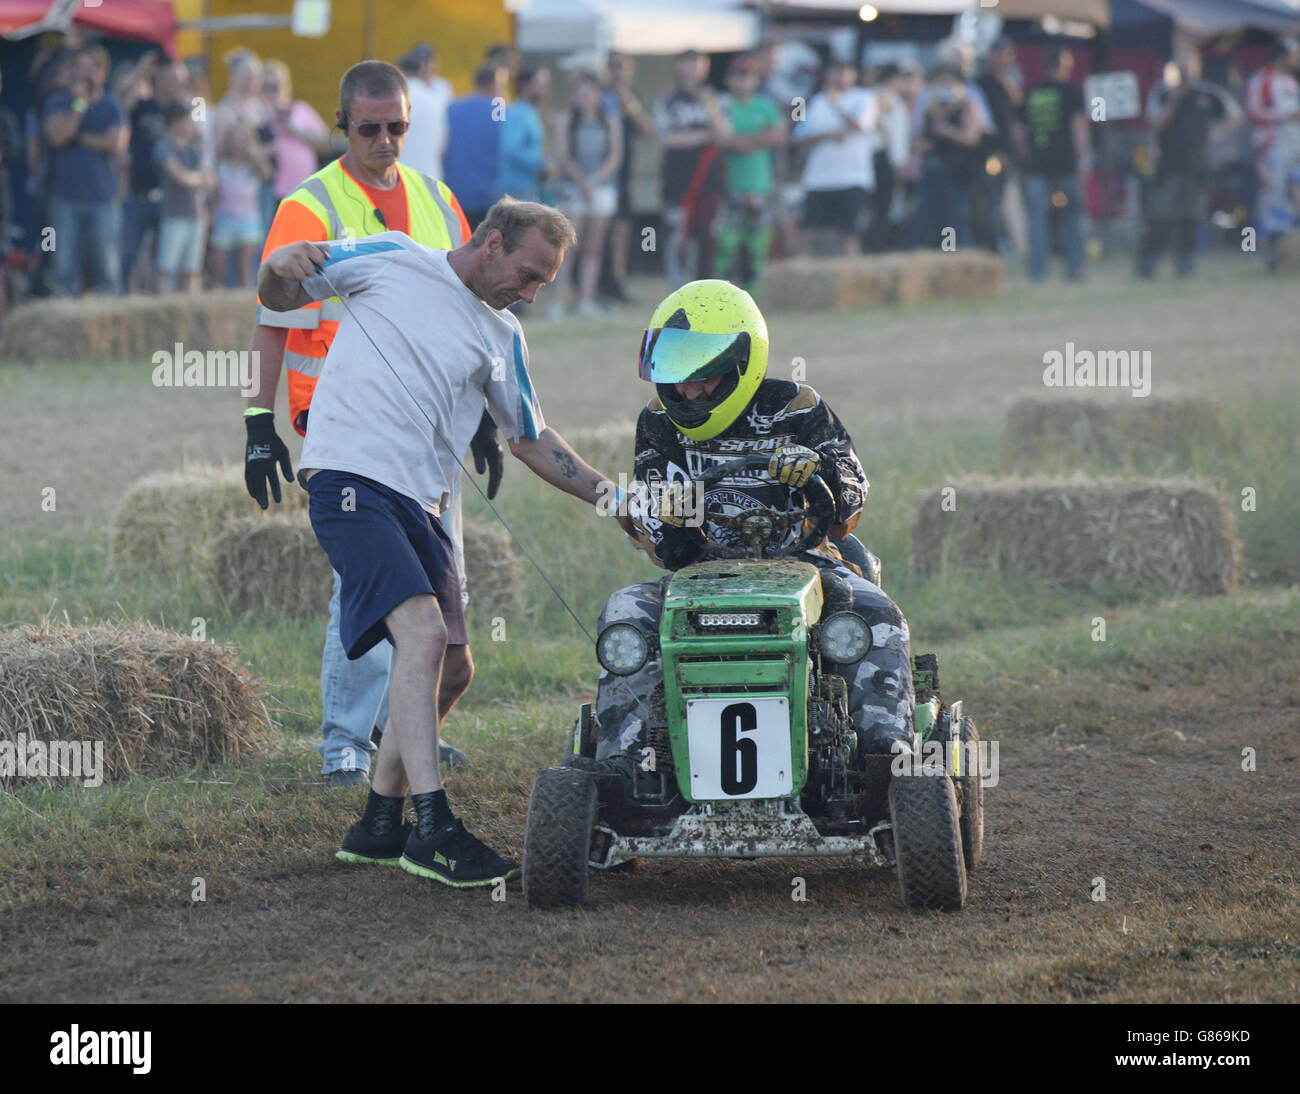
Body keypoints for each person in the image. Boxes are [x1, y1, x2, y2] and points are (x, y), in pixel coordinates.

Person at [257, 198, 630, 887]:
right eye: (527, 275)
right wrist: (277, 266)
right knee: (421, 638)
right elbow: (282, 291)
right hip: (349, 480)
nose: (531, 292)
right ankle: (432, 827)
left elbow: (530, 439)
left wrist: (617, 501)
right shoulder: (392, 257)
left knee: (453, 669)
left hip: (423, 504)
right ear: (490, 244)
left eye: (543, 283)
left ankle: (376, 825)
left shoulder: (504, 333)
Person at [244, 59, 488, 789]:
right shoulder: (309, 204)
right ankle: (347, 745)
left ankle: (404, 737)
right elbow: (271, 316)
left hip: (431, 425)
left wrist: (478, 418)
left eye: (398, 127)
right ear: (343, 123)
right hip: (340, 419)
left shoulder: (439, 199)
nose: (385, 140)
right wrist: (260, 423)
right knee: (370, 580)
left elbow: (467, 310)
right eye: (370, 127)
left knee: (441, 582)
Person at [584, 279, 913, 775]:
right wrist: (668, 517)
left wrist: (817, 470)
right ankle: (629, 761)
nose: (688, 390)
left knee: (877, 613)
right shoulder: (657, 423)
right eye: (675, 376)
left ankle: (883, 747)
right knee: (626, 610)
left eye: (704, 376)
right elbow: (670, 550)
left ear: (742, 364)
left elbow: (850, 498)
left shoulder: (797, 405)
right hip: (702, 571)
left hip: (804, 564)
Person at [1137, 50, 1240, 279]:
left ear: (1198, 67)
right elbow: (1154, 124)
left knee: (1191, 215)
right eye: (1181, 64)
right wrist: (1173, 101)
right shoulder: (1162, 92)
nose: (1185, 69)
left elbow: (1235, 115)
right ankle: (1147, 265)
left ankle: (1186, 264)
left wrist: (1215, 135)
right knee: (1159, 214)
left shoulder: (1209, 93)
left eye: (1189, 64)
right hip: (1169, 163)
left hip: (1196, 164)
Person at [42, 44, 128, 296]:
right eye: (81, 68)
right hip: (65, 199)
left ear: (103, 72)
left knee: (107, 271)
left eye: (92, 68)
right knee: (63, 271)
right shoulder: (57, 102)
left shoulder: (112, 106)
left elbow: (116, 144)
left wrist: (79, 138)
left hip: (103, 200)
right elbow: (58, 137)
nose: (86, 74)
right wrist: (79, 105)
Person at [655, 50, 730, 288]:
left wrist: (709, 106)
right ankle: (678, 289)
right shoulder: (668, 101)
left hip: (709, 180)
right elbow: (668, 138)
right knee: (677, 236)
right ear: (678, 66)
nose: (693, 69)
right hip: (678, 181)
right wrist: (706, 135)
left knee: (708, 237)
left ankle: (707, 287)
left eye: (698, 63)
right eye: (688, 63)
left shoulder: (714, 99)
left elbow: (725, 136)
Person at [550, 72, 623, 318]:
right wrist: (583, 182)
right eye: (580, 92)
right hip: (573, 188)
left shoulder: (609, 120)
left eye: (590, 92)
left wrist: (595, 180)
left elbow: (615, 156)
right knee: (569, 245)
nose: (585, 97)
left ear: (599, 95)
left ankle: (586, 300)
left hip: (602, 188)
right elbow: (564, 156)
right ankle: (557, 302)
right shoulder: (566, 120)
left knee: (594, 247)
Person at [714, 55, 784, 294]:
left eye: (748, 76)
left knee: (756, 241)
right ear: (728, 79)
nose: (742, 82)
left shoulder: (765, 105)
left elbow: (778, 135)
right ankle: (721, 291)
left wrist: (742, 142)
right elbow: (723, 139)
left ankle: (753, 292)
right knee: (727, 241)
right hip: (729, 183)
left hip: (759, 184)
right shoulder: (722, 104)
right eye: (738, 76)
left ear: (755, 80)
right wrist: (757, 139)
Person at [794, 59, 878, 257]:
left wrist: (837, 105)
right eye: (835, 72)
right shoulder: (814, 102)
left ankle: (853, 281)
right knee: (807, 231)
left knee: (849, 234)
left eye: (845, 72)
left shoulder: (866, 98)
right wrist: (825, 136)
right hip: (818, 179)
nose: (839, 77)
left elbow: (861, 126)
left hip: (853, 178)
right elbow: (799, 138)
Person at [1021, 46, 1089, 282]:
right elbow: (1078, 127)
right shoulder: (1070, 92)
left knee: (1037, 219)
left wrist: (1026, 157)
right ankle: (1075, 268)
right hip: (1066, 164)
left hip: (1037, 164)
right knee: (1074, 215)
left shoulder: (1032, 92)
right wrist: (1083, 160)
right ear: (1061, 65)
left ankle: (1038, 272)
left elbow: (1019, 129)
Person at [908, 64, 981, 250]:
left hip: (957, 171)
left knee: (955, 215)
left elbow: (971, 137)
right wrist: (926, 145)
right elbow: (917, 141)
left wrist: (947, 131)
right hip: (933, 169)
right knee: (927, 213)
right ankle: (925, 250)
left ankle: (952, 250)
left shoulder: (966, 106)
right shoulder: (930, 109)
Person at [601, 52, 654, 303]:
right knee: (600, 231)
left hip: (624, 176)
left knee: (621, 231)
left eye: (621, 67)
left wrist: (628, 101)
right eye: (612, 67)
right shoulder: (599, 99)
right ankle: (598, 284)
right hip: (601, 175)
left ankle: (618, 282)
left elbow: (647, 130)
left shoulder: (630, 100)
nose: (617, 72)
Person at [1244, 38, 1300, 272]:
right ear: (1282, 55)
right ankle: (1269, 255)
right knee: (1272, 199)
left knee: (1292, 199)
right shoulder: (1262, 80)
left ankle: (1291, 253)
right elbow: (1254, 113)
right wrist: (1283, 118)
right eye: (1294, 53)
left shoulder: (1290, 81)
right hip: (1272, 148)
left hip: (1294, 147)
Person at [154, 103, 213, 294]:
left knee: (192, 271)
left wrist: (198, 178)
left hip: (197, 216)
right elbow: (179, 177)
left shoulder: (194, 148)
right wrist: (200, 179)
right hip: (174, 215)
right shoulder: (164, 146)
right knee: (166, 268)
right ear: (175, 121)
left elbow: (210, 179)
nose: (191, 124)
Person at [444, 64, 508, 230]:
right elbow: (506, 145)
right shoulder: (498, 109)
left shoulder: (453, 107)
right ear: (493, 84)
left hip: (456, 190)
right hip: (490, 192)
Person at [211, 121, 274, 289]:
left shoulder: (252, 166)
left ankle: (246, 303)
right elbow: (215, 194)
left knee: (244, 268)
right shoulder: (221, 164)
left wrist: (254, 154)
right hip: (224, 219)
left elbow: (267, 174)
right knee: (218, 267)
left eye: (243, 138)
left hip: (248, 221)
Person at [263, 59, 329, 203]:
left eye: (276, 86)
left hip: (304, 189)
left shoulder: (300, 109)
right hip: (270, 191)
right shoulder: (258, 113)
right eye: (267, 87)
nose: (273, 92)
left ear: (287, 85)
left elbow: (325, 142)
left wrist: (296, 131)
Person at [398, 43, 453, 181]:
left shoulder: (394, 98)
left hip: (400, 174)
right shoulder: (436, 100)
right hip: (431, 174)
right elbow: (444, 142)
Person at [498, 66, 550, 203]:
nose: (544, 88)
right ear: (525, 86)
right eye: (539, 83)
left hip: (528, 187)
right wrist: (539, 165)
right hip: (517, 189)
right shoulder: (518, 113)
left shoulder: (530, 112)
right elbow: (510, 148)